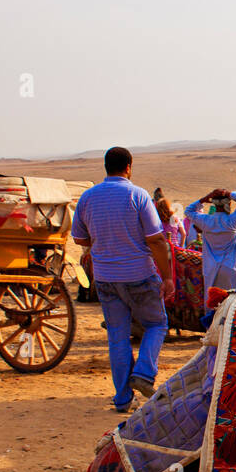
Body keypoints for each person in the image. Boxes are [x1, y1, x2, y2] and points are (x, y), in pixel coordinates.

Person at [71, 146, 174, 413]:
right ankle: (144, 373)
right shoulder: (137, 195)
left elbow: (79, 238)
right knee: (157, 324)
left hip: (105, 278)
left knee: (117, 336)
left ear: (106, 167)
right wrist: (168, 277)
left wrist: (102, 240)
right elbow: (156, 240)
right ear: (128, 167)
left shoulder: (87, 197)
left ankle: (122, 399)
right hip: (139, 274)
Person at [185, 187, 236, 295]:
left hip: (210, 270)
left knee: (213, 304)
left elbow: (188, 210)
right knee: (231, 304)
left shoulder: (206, 221)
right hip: (231, 269)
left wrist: (204, 199)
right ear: (229, 204)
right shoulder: (232, 221)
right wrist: (228, 193)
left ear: (214, 205)